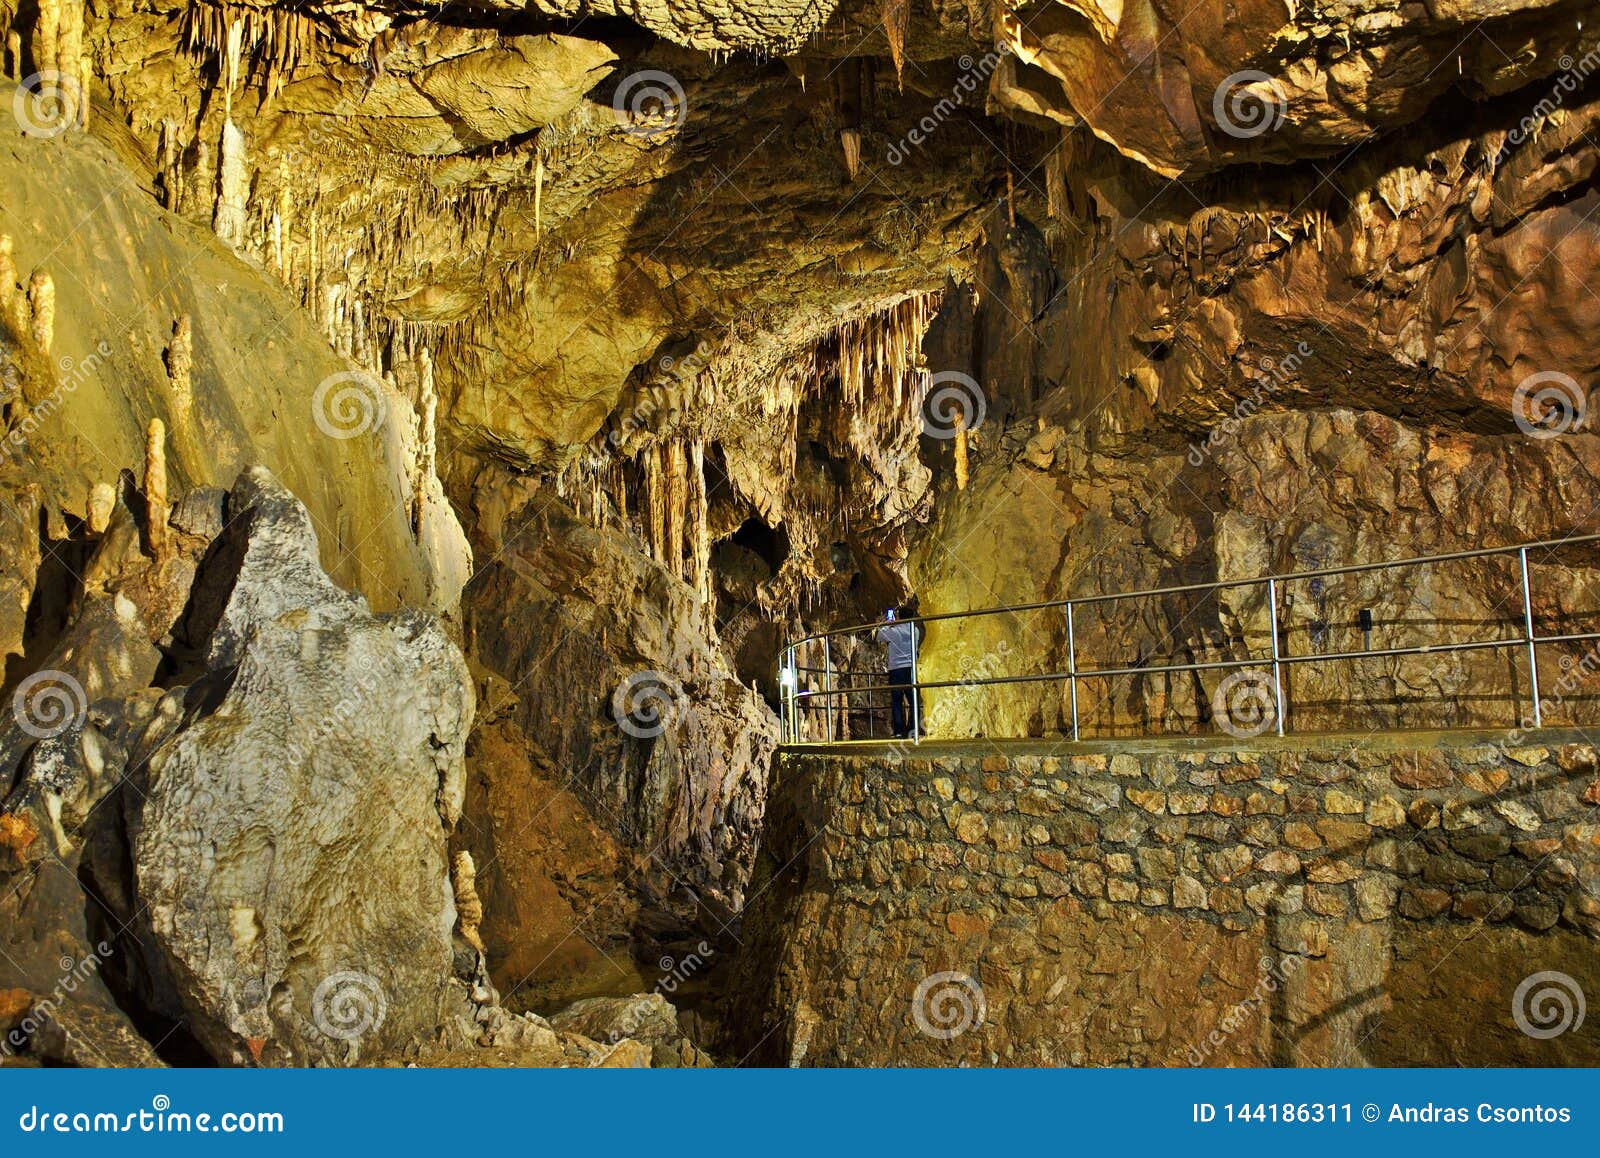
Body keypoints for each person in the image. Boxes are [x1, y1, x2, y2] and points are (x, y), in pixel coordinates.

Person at [875, 603, 922, 739]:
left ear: (899, 617)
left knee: (897, 701)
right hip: (911, 669)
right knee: (913, 700)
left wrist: (888, 622)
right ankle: (913, 729)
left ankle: (899, 731)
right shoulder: (916, 630)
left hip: (896, 669)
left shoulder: (894, 631)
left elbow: (879, 636)